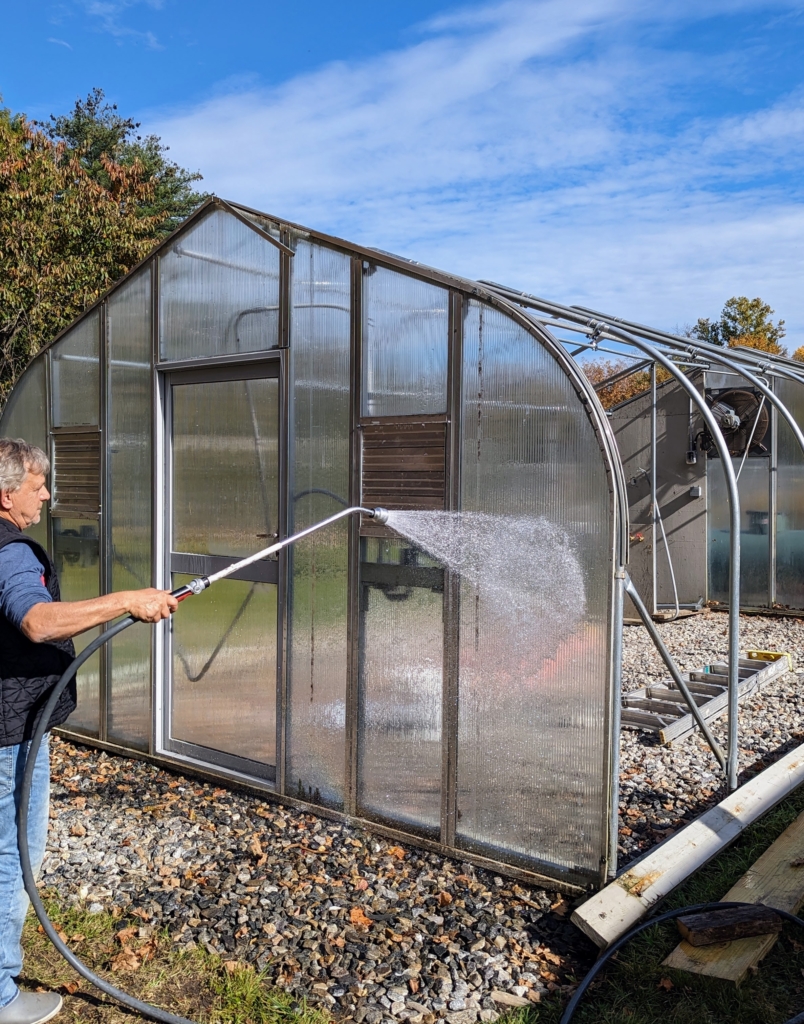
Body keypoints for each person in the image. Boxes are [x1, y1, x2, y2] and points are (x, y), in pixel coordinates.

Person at [0, 438, 177, 1024]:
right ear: (6, 494)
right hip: (10, 732)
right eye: (37, 487)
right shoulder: (10, 552)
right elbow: (36, 620)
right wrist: (128, 600)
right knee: (12, 855)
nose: (47, 495)